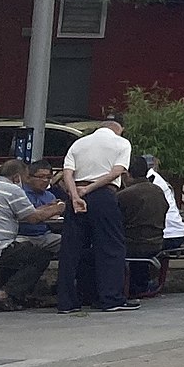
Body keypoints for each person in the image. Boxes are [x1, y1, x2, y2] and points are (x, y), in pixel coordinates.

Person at [57, 115, 134, 313]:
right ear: (120, 128)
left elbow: (67, 173)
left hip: (75, 196)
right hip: (102, 196)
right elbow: (116, 172)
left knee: (70, 250)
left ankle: (66, 302)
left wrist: (75, 195)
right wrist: (90, 189)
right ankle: (111, 299)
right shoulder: (121, 143)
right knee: (110, 246)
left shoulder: (79, 143)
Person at [0, 163, 62, 310]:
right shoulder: (12, 190)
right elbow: (33, 218)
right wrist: (59, 207)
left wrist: (45, 209)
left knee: (20, 252)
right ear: (17, 177)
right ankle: (5, 293)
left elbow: (27, 213)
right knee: (39, 256)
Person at [120, 155, 169, 299]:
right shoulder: (158, 190)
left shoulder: (124, 195)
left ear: (127, 174)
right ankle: (139, 285)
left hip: (132, 245)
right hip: (156, 243)